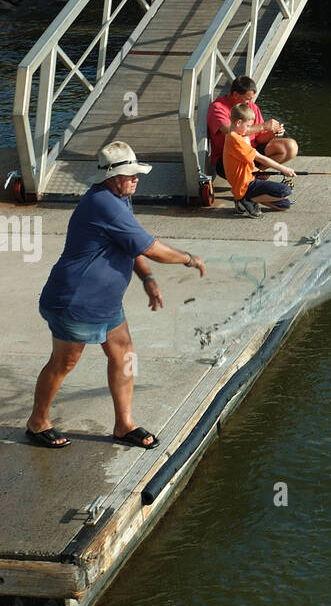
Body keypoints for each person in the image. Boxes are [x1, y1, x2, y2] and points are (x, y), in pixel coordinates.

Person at [26, 141, 207, 450]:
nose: (137, 179)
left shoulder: (119, 199)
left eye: (137, 174)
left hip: (105, 302)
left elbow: (131, 245)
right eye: (130, 174)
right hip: (75, 301)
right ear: (111, 176)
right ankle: (37, 422)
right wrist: (189, 258)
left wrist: (147, 278)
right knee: (64, 362)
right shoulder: (103, 204)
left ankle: (124, 425)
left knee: (125, 356)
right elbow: (153, 248)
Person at [206, 74, 298, 180]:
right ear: (235, 94)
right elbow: (232, 132)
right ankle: (253, 176)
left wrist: (273, 133)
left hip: (252, 154)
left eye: (251, 99)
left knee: (290, 146)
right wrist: (263, 126)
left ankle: (255, 175)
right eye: (247, 99)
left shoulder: (251, 107)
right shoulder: (217, 108)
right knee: (244, 140)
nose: (250, 103)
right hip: (228, 158)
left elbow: (259, 139)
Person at [223, 103, 296, 217]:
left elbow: (243, 162)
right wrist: (284, 169)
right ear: (238, 122)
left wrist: (258, 170)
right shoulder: (235, 140)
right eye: (248, 126)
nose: (249, 129)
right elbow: (261, 158)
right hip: (246, 184)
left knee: (284, 204)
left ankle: (245, 199)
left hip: (248, 179)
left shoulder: (235, 137)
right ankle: (245, 199)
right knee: (285, 191)